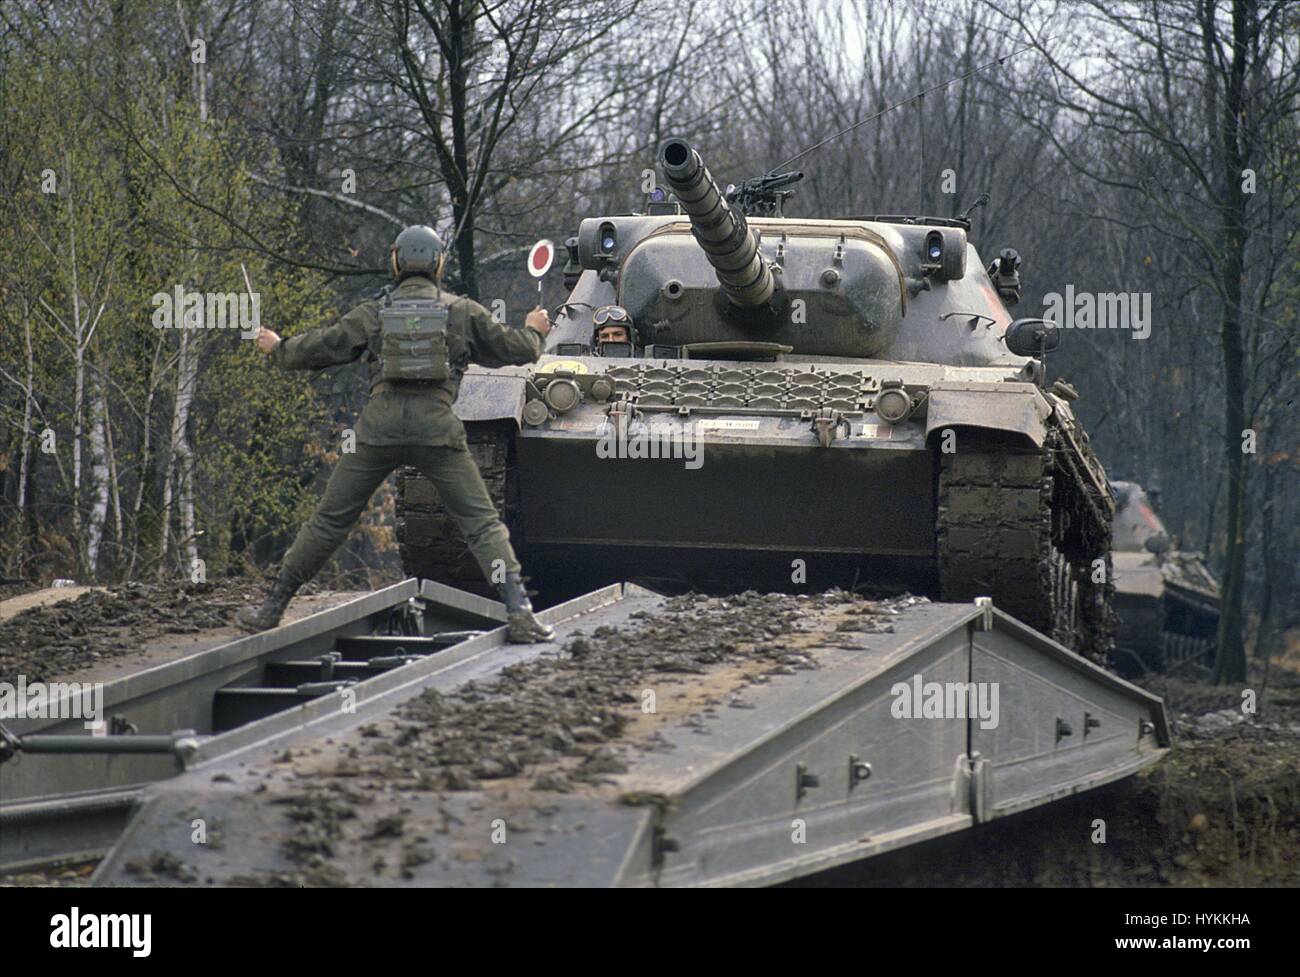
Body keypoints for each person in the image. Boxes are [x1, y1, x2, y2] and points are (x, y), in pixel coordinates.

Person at [236, 225, 555, 643]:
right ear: (439, 264)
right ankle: (518, 611)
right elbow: (519, 350)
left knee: (330, 521)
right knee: (480, 522)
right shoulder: (461, 312)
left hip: (378, 430)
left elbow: (321, 347)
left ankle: (272, 608)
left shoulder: (373, 312)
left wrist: (278, 347)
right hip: (437, 431)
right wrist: (535, 328)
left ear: (396, 263)